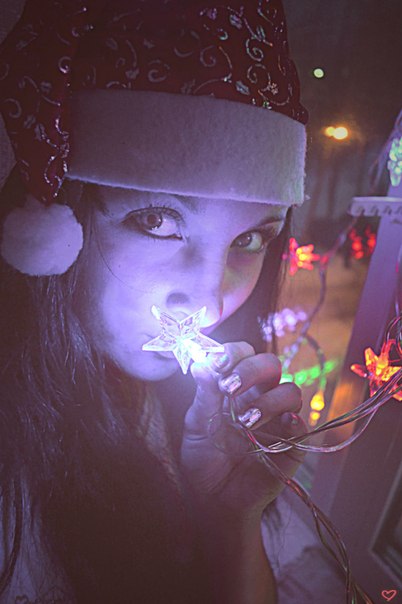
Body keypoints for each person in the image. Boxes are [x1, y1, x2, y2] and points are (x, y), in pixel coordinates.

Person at [0, 1, 309, 602]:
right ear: (59, 226)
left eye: (249, 240)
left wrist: (230, 523)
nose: (209, 301)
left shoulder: (193, 416)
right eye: (158, 221)